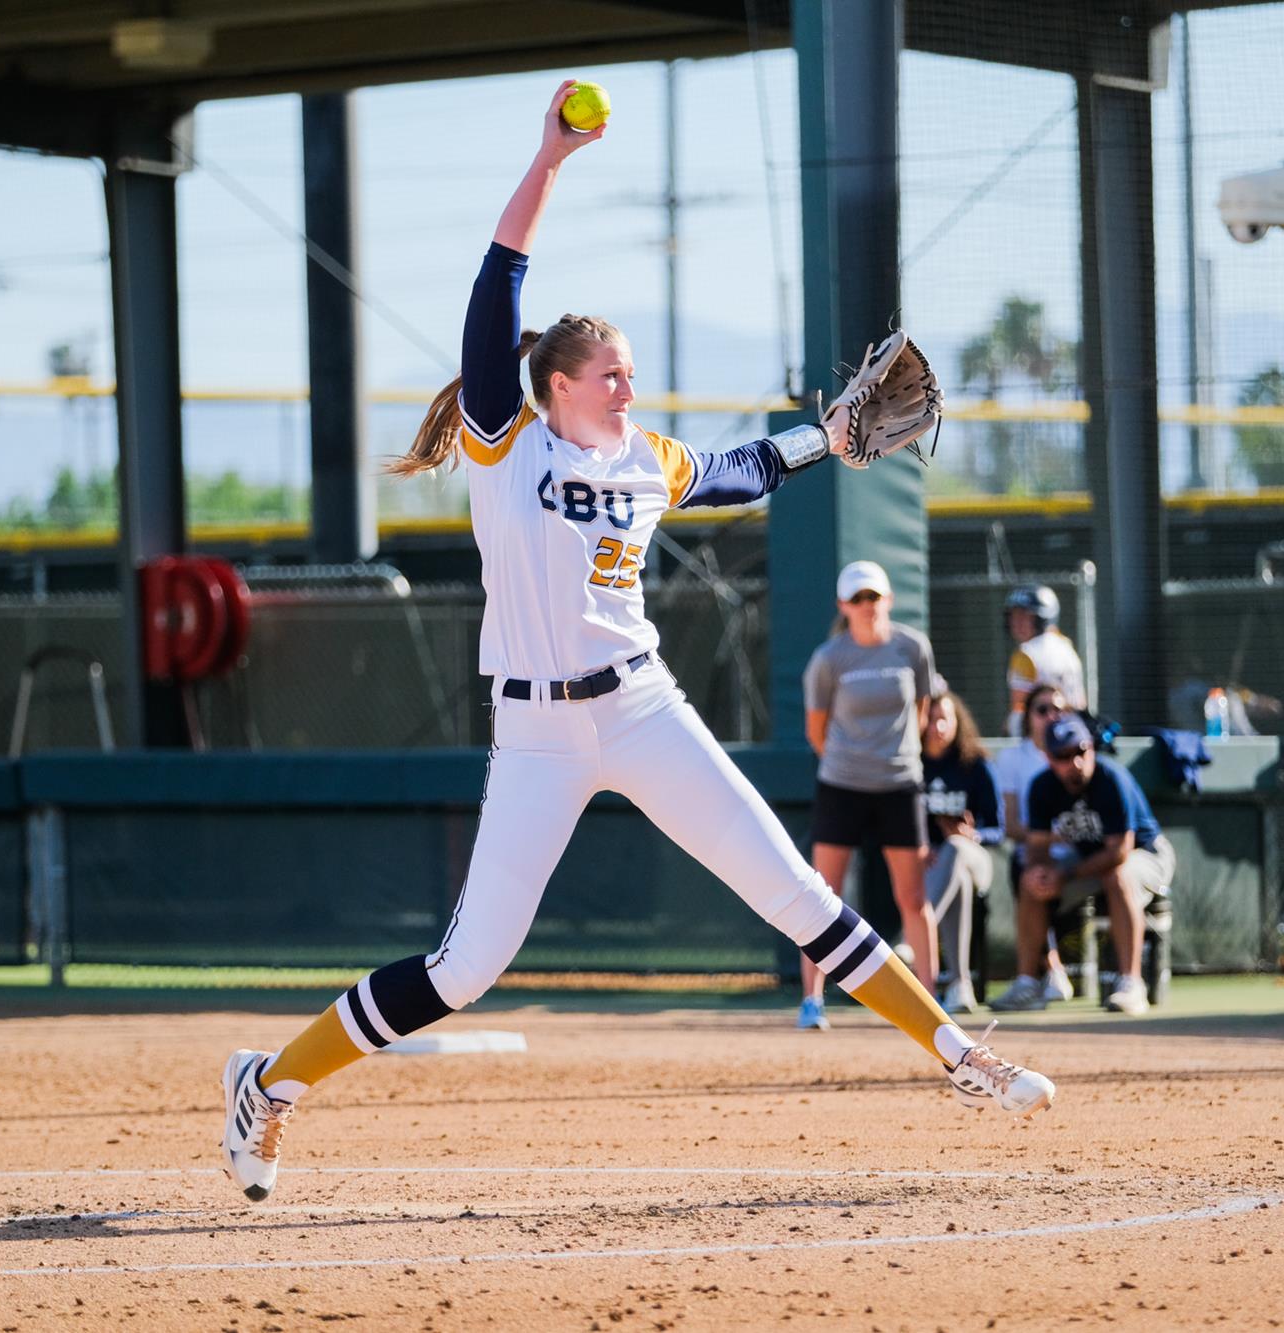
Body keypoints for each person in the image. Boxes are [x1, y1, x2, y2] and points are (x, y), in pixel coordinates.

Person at [216, 83, 1054, 1204]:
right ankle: (268, 1085)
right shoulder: (501, 439)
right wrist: (548, 161)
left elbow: (739, 470)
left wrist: (829, 436)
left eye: (625, 369)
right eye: (607, 371)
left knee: (794, 894)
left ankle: (962, 1053)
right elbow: (494, 281)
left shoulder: (645, 459)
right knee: (466, 968)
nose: (625, 382)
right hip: (536, 733)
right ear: (555, 387)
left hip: (642, 708)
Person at [798, 559, 937, 1028]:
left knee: (913, 897)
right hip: (842, 785)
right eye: (857, 599)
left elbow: (920, 713)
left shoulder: (913, 648)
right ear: (843, 605)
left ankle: (932, 1001)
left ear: (888, 600)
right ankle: (812, 1001)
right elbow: (816, 731)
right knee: (822, 896)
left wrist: (893, 758)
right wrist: (852, 763)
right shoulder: (829, 659)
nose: (866, 606)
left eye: (873, 597)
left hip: (901, 785)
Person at [1000, 714, 1176, 1016]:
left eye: (1081, 751)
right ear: (1048, 757)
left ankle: (1131, 985)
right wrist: (1044, 874)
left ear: (1092, 748)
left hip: (1147, 856)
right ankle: (1028, 983)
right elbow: (1038, 848)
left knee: (1118, 876)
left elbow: (1120, 851)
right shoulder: (1042, 787)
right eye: (1063, 756)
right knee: (1031, 880)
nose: (1075, 763)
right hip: (1087, 862)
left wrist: (1064, 874)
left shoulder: (1111, 779)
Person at [993, 683, 1077, 1006]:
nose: (1051, 716)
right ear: (1028, 717)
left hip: (1077, 856)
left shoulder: (1080, 752)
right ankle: (1044, 971)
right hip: (1035, 851)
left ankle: (1047, 972)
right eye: (1042, 710)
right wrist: (1049, 838)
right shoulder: (1013, 758)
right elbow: (1011, 825)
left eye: (1058, 709)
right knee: (1027, 870)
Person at [919, 684, 1000, 1014]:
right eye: (932, 719)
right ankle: (960, 985)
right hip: (930, 866)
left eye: (946, 719)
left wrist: (973, 835)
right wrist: (921, 847)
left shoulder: (975, 764)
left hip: (976, 856)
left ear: (958, 722)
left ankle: (919, 934)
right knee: (959, 882)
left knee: (957, 849)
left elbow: (998, 828)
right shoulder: (911, 765)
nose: (939, 727)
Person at [1003, 584, 1086, 738]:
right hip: (1072, 733)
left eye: (1025, 616)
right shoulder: (1067, 647)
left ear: (1042, 618)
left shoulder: (1026, 653)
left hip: (1040, 738)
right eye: (1013, 616)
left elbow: (1019, 707)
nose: (1016, 623)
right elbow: (1081, 704)